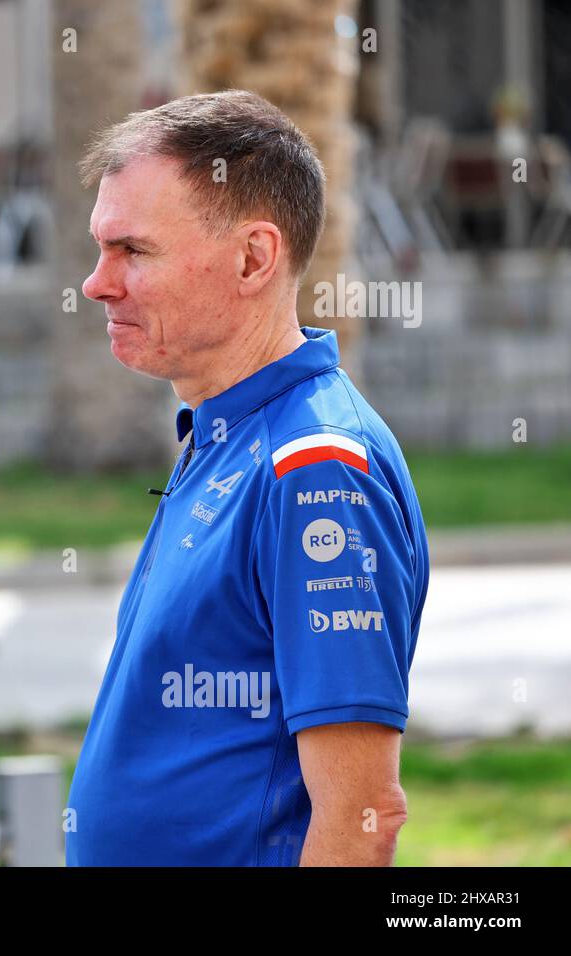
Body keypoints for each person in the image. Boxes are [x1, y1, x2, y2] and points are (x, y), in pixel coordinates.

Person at [65, 90, 429, 866]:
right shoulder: (227, 433)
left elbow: (364, 813)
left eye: (134, 250)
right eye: (101, 248)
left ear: (254, 258)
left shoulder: (315, 467)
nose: (97, 283)